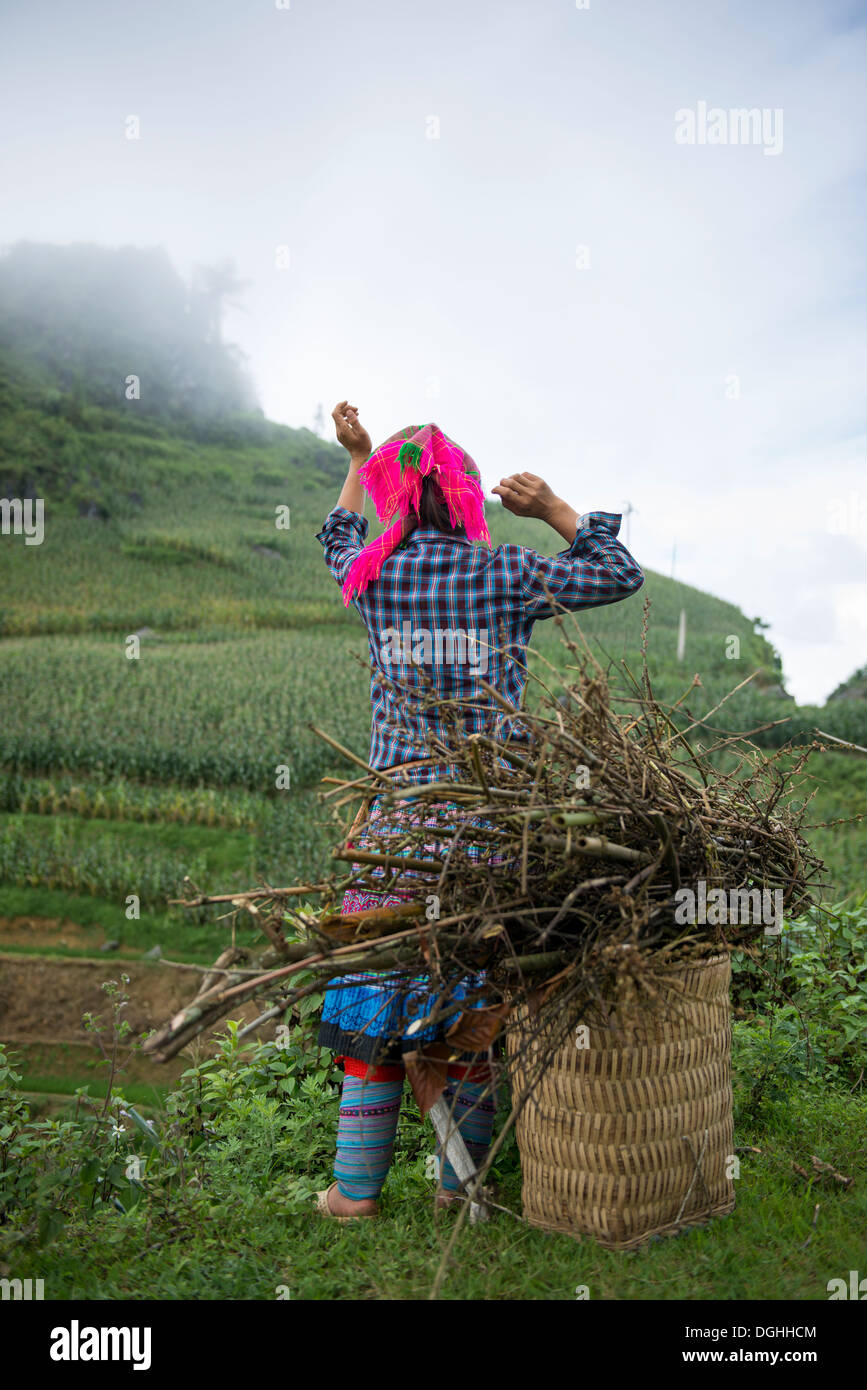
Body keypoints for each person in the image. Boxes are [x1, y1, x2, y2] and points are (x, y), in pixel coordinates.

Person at [313, 401, 644, 1220]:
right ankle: (459, 1187)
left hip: (393, 837)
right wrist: (555, 509)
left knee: (375, 999)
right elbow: (617, 573)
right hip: (489, 838)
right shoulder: (503, 573)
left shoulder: (374, 579)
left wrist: (355, 458)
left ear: (396, 496)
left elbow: (336, 539)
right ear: (465, 496)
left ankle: (354, 1193)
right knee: (467, 1009)